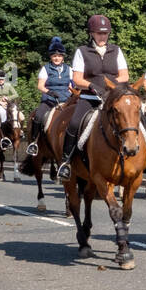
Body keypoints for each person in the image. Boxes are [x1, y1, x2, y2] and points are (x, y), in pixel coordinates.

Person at [57, 15, 128, 180]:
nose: (102, 37)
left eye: (105, 33)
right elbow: (77, 79)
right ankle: (65, 162)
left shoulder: (116, 50)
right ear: (92, 33)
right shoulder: (82, 51)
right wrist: (91, 86)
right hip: (90, 97)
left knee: (139, 118)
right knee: (74, 123)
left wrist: (111, 84)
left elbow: (124, 75)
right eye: (99, 33)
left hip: (113, 96)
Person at [26, 36, 72, 156]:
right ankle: (34, 143)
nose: (57, 58)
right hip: (50, 99)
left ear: (63, 57)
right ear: (51, 57)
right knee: (39, 116)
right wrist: (49, 92)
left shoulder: (69, 69)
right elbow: (40, 86)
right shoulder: (45, 69)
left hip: (67, 100)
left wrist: (73, 93)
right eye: (54, 56)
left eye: (59, 56)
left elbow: (73, 85)